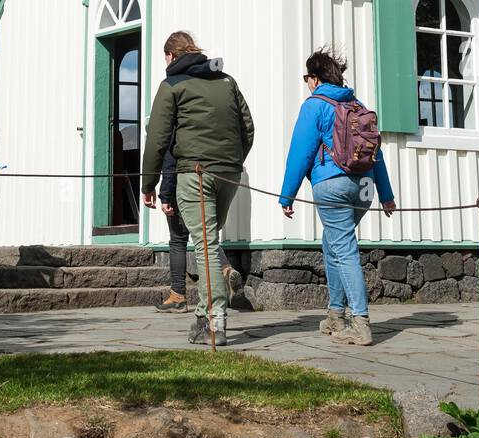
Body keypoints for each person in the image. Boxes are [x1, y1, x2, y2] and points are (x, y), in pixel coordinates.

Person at [142, 31, 254, 346]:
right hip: (228, 173)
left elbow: (157, 138)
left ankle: (216, 322)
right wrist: (232, 161)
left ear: (171, 56)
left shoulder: (172, 85)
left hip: (195, 173)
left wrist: (148, 183)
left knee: (204, 246)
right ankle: (204, 316)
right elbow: (248, 127)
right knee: (209, 240)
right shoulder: (226, 81)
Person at [279, 47, 396, 347]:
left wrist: (286, 195)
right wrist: (386, 195)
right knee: (332, 243)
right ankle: (335, 315)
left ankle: (360, 323)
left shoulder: (315, 105)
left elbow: (300, 152)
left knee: (343, 248)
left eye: (307, 77)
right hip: (365, 188)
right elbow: (375, 152)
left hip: (332, 185)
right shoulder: (357, 105)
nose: (306, 83)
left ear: (315, 79)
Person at [155, 141, 239, 312]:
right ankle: (226, 270)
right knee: (206, 235)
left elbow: (170, 160)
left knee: (178, 240)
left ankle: (178, 296)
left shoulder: (179, 125)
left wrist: (165, 195)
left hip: (183, 184)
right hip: (209, 179)